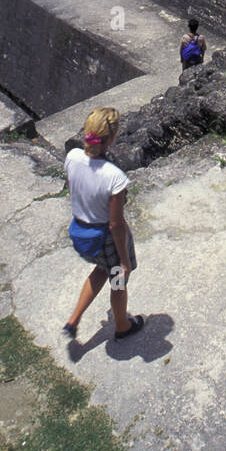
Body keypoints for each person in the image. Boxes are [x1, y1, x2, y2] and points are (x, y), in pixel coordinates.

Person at [62, 107, 143, 342]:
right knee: (118, 281)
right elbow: (116, 224)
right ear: (113, 138)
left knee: (100, 270)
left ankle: (74, 319)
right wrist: (124, 259)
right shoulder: (114, 176)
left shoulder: (72, 157)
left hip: (83, 234)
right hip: (107, 240)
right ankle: (122, 325)